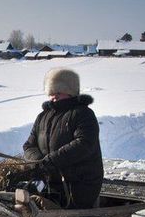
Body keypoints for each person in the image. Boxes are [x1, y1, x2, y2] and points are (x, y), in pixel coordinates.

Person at [18, 68, 103, 209]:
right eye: (51, 93)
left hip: (79, 185)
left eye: (58, 92)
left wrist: (51, 161)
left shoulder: (83, 114)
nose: (54, 97)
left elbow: (84, 144)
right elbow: (29, 145)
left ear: (71, 92)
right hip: (51, 184)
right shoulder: (43, 117)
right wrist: (38, 161)